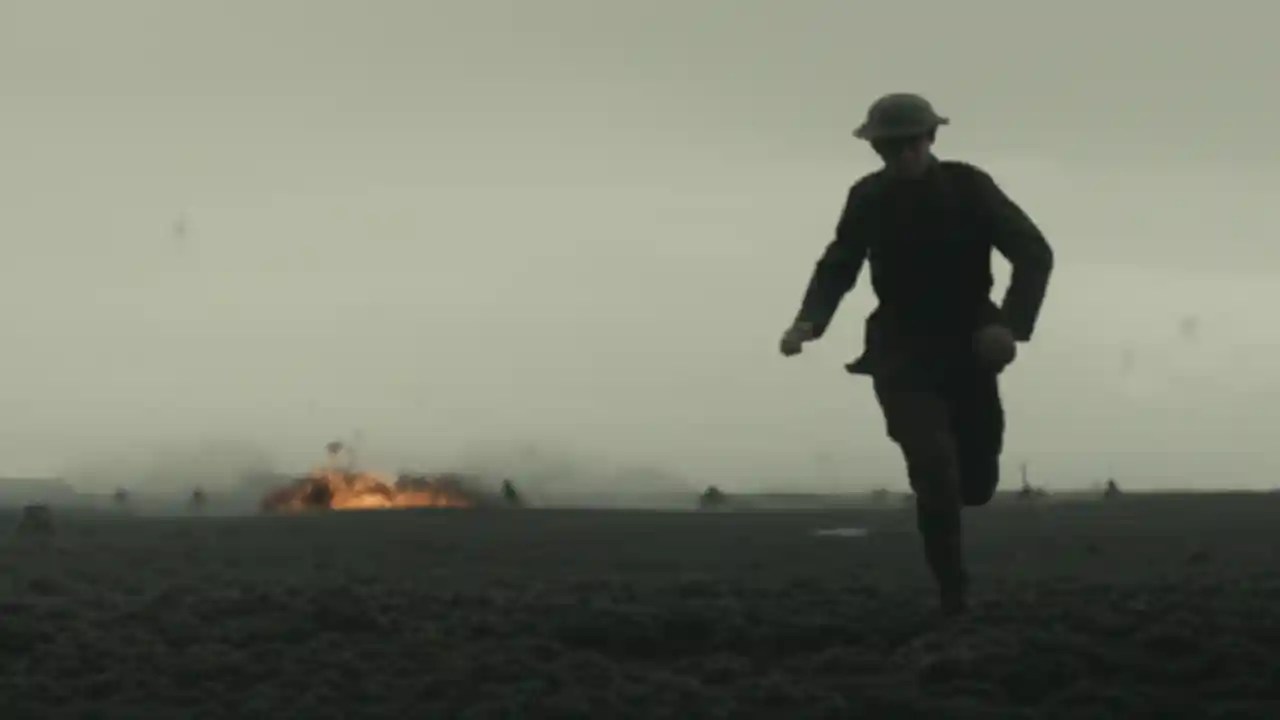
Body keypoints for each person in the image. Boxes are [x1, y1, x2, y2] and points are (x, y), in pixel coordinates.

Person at [779, 93, 1054, 615]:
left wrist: (1010, 327)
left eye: (910, 143)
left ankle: (958, 521)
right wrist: (808, 322)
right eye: (889, 147)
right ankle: (953, 596)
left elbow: (1034, 252)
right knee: (934, 470)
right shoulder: (867, 197)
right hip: (899, 351)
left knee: (976, 484)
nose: (901, 155)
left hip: (971, 347)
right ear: (877, 149)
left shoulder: (969, 186)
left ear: (931, 139)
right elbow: (839, 264)